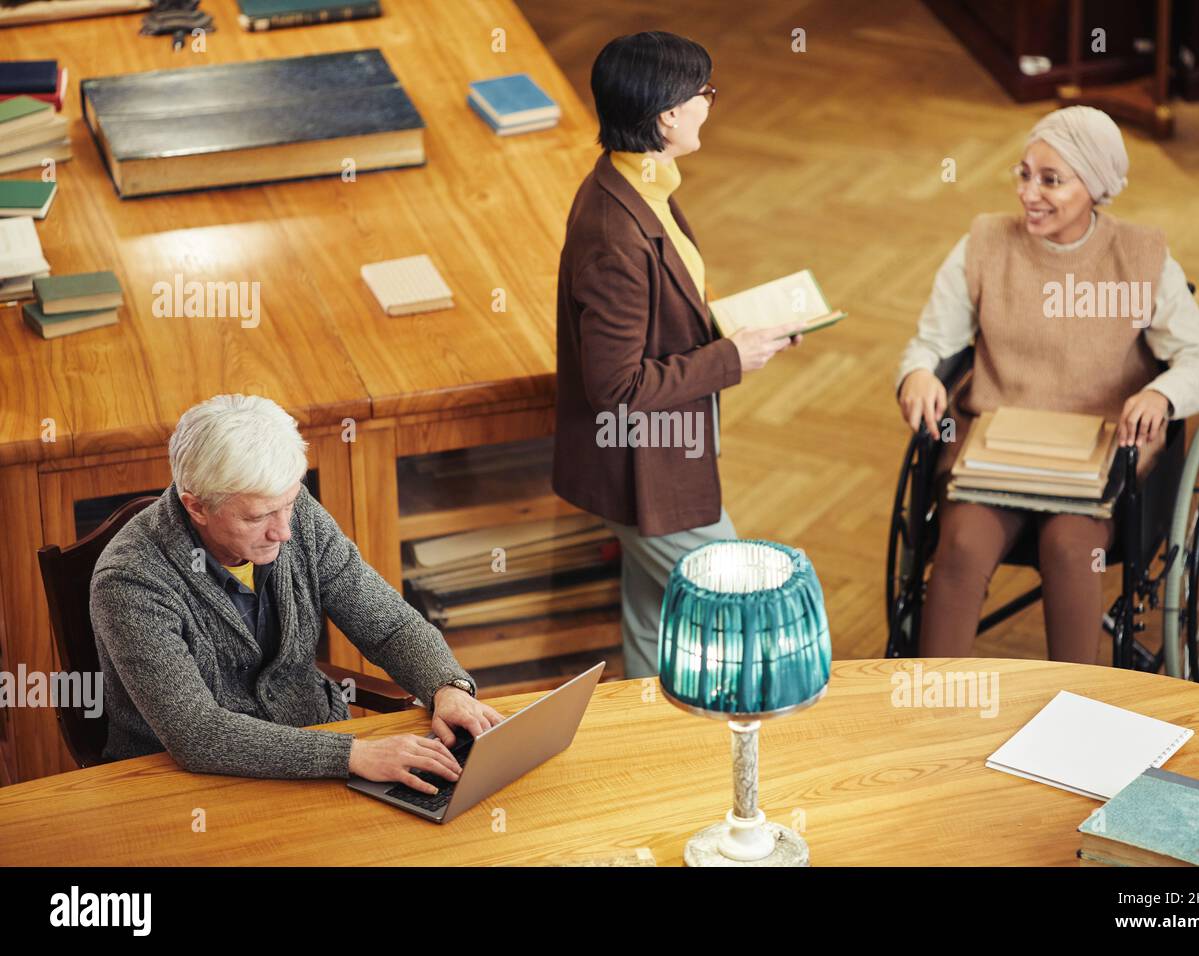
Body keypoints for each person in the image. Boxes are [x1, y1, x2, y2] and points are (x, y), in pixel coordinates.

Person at [895, 106, 1199, 663]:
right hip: (999, 448)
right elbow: (930, 340)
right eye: (1024, 174)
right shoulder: (984, 244)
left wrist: (1160, 393)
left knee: (1071, 551)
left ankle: (1076, 715)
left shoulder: (1141, 257)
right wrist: (919, 372)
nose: (1029, 193)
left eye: (1051, 181)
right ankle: (932, 708)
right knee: (961, 547)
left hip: (1097, 456)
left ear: (1094, 187)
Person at [90, 394, 502, 796]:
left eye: (287, 504)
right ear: (196, 506)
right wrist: (351, 755)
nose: (284, 531)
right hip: (182, 787)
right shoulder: (129, 580)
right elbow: (198, 733)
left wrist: (446, 686)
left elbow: (388, 625)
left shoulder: (294, 510)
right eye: (257, 517)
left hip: (318, 750)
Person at [553, 31, 806, 678]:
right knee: (749, 602)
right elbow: (615, 386)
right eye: (703, 95)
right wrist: (731, 360)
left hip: (664, 458)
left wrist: (748, 329)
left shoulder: (639, 184)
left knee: (653, 620)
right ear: (667, 114)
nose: (707, 106)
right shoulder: (617, 231)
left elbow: (669, 309)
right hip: (645, 472)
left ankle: (647, 738)